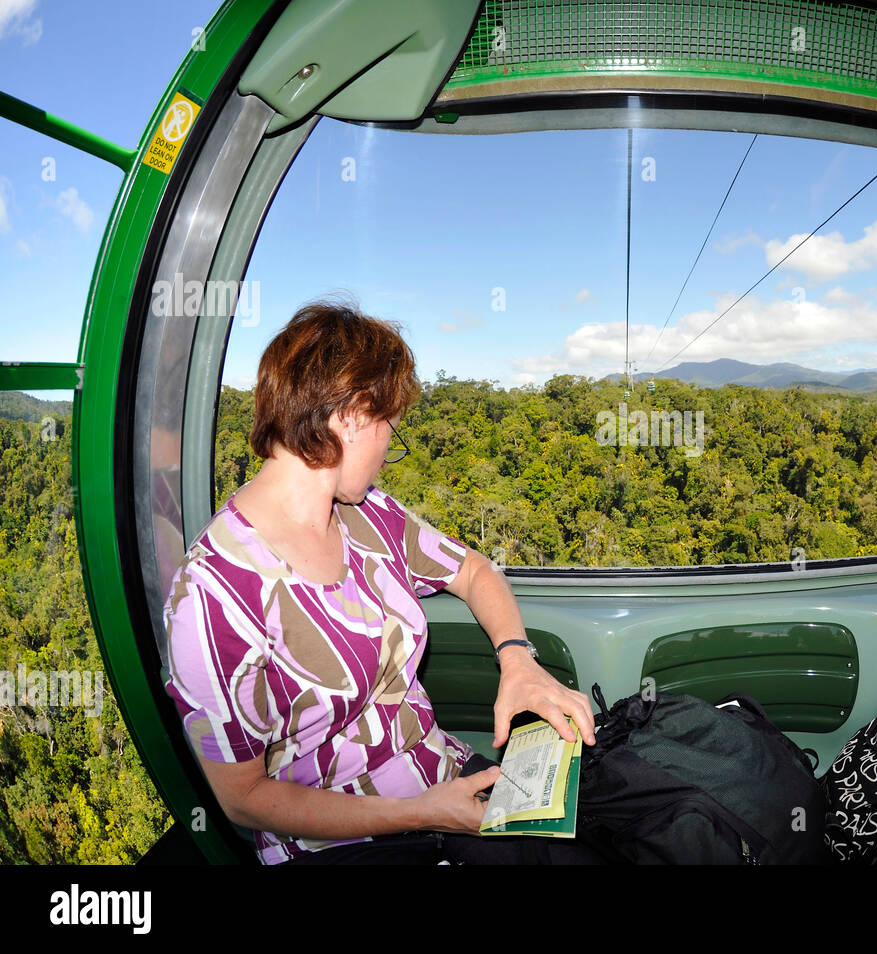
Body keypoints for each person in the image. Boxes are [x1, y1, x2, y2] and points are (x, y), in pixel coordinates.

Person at [161, 299, 598, 864]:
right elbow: (243, 800)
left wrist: (517, 659)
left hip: (438, 773)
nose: (391, 447)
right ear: (353, 414)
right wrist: (424, 813)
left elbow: (473, 570)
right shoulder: (212, 598)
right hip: (335, 839)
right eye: (390, 425)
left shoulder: (370, 517)